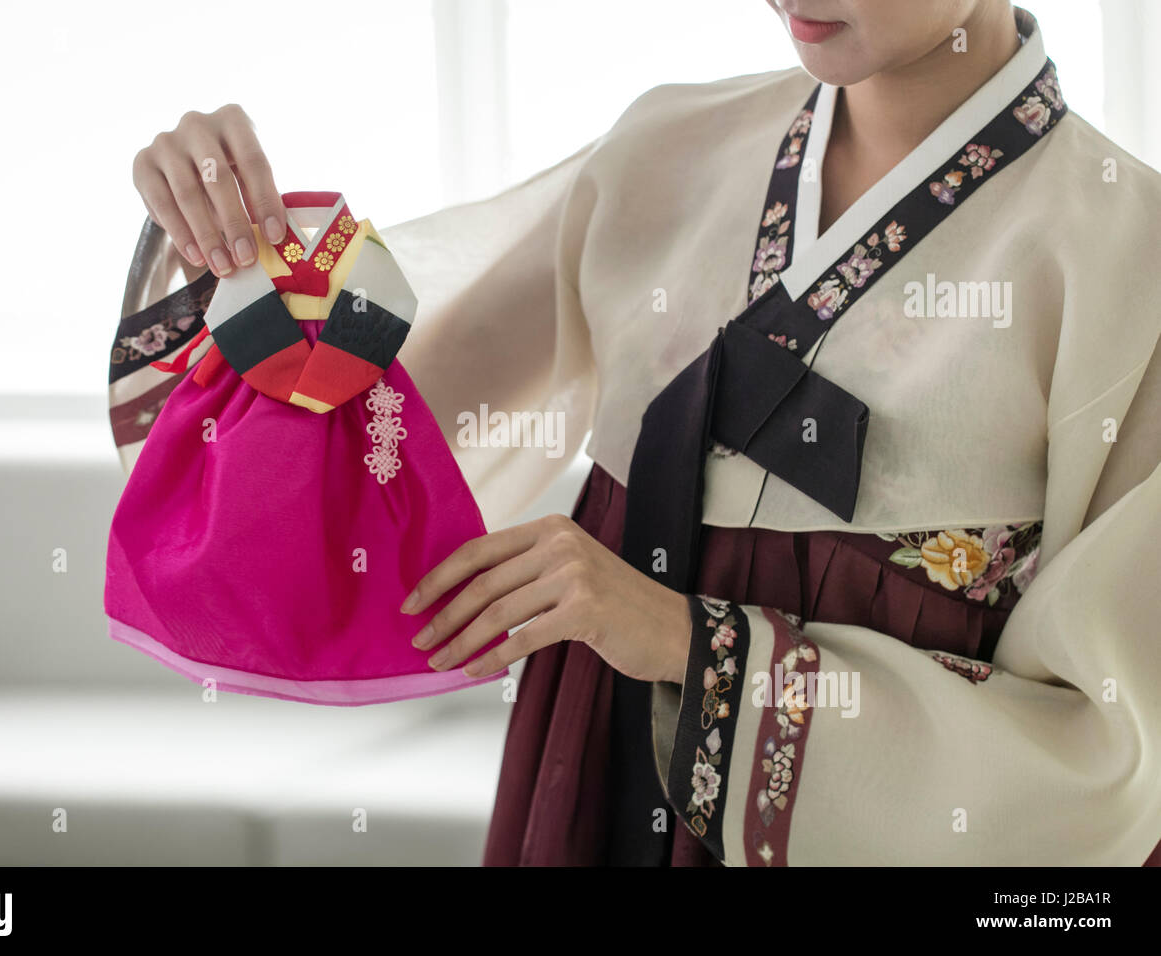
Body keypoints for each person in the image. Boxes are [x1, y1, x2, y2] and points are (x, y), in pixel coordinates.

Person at [129, 1, 1161, 865]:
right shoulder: (661, 155)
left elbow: (1108, 760)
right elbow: (366, 472)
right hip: (592, 774)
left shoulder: (1128, 261)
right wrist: (242, 270)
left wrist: (686, 641)